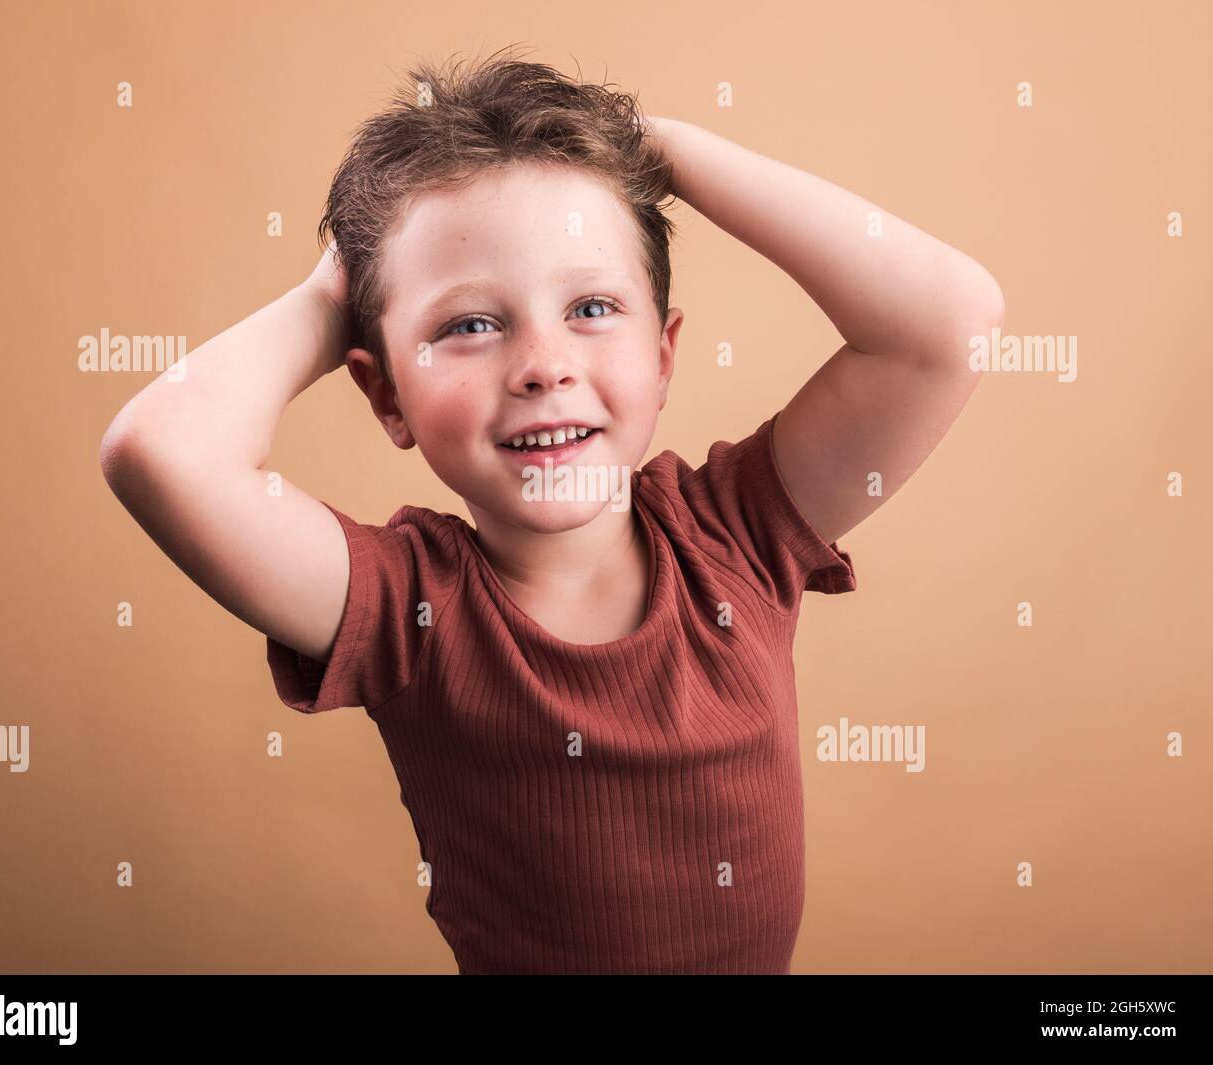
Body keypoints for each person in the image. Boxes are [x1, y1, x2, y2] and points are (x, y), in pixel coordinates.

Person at [99, 48, 1002, 974]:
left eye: (592, 306)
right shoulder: (410, 607)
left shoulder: (737, 537)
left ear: (662, 355)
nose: (542, 363)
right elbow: (159, 453)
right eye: (469, 325)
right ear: (386, 398)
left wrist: (657, 150)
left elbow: (948, 323)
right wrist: (336, 291)